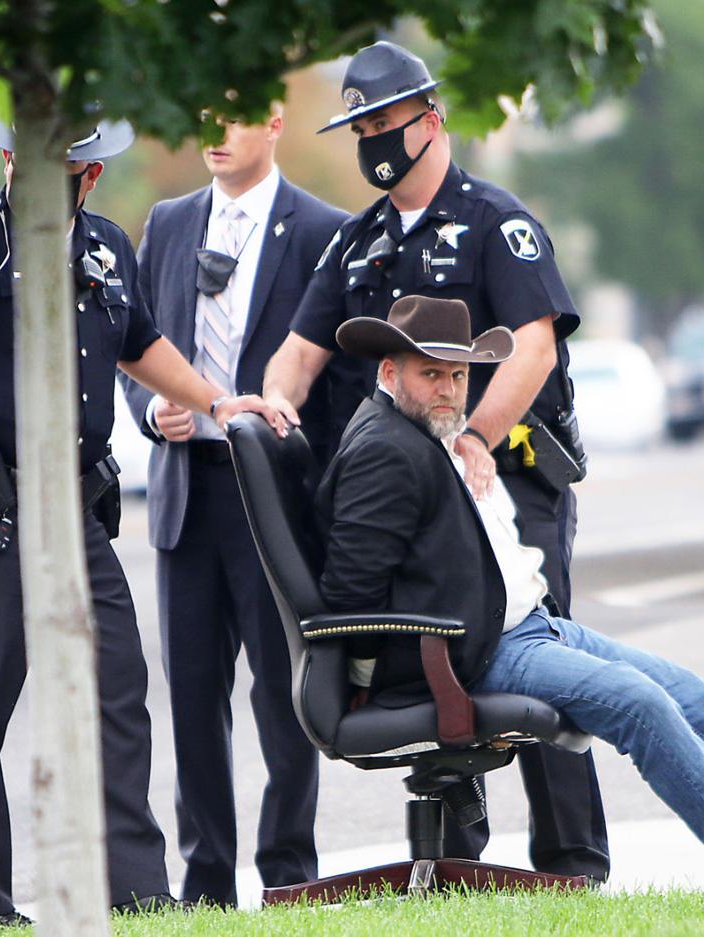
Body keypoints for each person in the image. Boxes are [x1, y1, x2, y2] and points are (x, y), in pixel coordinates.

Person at [317, 294, 704, 883]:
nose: (449, 390)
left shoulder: (423, 431)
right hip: (477, 653)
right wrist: (398, 670)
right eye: (431, 374)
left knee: (689, 695)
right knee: (641, 705)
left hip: (530, 626)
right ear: (389, 372)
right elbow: (351, 595)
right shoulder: (384, 450)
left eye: (458, 376)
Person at [0, 112, 288, 930]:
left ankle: (135, 893)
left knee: (117, 692)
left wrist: (216, 400)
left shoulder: (106, 245)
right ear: (8, 159)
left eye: (59, 172)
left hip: (72, 507)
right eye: (26, 164)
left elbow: (139, 341)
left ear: (89, 177)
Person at [262, 38, 610, 882]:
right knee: (436, 651)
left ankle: (573, 860)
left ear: (431, 118)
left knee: (539, 655)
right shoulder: (357, 243)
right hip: (412, 497)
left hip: (507, 477)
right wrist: (272, 405)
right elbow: (298, 354)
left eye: (385, 121)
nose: (373, 139)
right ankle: (456, 858)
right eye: (360, 128)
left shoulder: (494, 222)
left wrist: (476, 438)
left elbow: (533, 349)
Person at [119, 104, 348, 907]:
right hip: (187, 490)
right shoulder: (169, 223)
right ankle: (207, 880)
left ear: (275, 122)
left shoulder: (321, 230)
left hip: (273, 497)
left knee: (284, 694)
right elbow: (132, 340)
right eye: (205, 117)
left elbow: (335, 377)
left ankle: (288, 871)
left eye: (236, 117)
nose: (215, 133)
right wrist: (154, 410)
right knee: (192, 695)